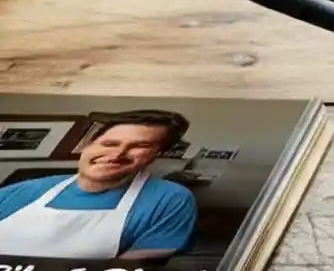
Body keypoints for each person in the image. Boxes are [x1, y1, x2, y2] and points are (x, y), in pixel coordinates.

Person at [0, 110, 198, 261]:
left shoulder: (169, 200)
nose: (117, 154)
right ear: (87, 145)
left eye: (140, 146)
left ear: (157, 155)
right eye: (109, 144)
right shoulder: (21, 192)